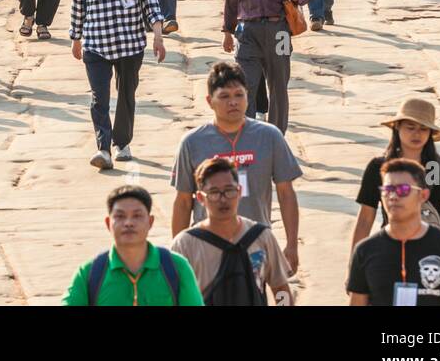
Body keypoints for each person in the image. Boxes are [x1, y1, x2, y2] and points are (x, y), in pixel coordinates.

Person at [170, 61, 302, 271]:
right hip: (206, 246)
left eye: (239, 95)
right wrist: (177, 256)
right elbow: (184, 201)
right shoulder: (192, 142)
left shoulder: (270, 137)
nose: (233, 102)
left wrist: (292, 245)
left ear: (248, 96)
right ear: (209, 101)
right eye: (224, 96)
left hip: (255, 244)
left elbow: (286, 193)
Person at [349, 98, 440, 286]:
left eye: (423, 128)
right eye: (410, 127)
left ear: (431, 133)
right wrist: (354, 268)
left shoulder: (439, 166)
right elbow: (365, 219)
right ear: (397, 128)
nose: (417, 134)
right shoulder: (379, 167)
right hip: (393, 241)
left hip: (438, 244)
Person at [70, 0, 165, 169]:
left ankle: (122, 142)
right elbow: (79, 2)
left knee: (126, 95)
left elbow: (150, 1)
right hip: (96, 43)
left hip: (130, 43)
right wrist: (75, 37)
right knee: (99, 98)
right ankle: (103, 148)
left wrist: (158, 36)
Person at [347, 157, 440, 307]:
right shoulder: (365, 251)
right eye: (388, 190)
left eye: (403, 190)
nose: (394, 197)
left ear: (423, 195)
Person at [222, 0, 308, 132]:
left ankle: (277, 135)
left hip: (278, 30)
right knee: (245, 86)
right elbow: (231, 1)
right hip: (248, 32)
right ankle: (248, 133)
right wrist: (227, 31)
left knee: (278, 87)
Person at [171, 157, 293, 307]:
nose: (223, 200)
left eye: (229, 191)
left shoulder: (261, 237)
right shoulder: (185, 244)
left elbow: (280, 288)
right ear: (201, 198)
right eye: (214, 193)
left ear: (240, 191)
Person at [63, 185, 203, 306]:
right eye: (120, 216)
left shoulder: (176, 267)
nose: (128, 223)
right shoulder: (89, 273)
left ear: (150, 222)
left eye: (137, 216)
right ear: (108, 223)